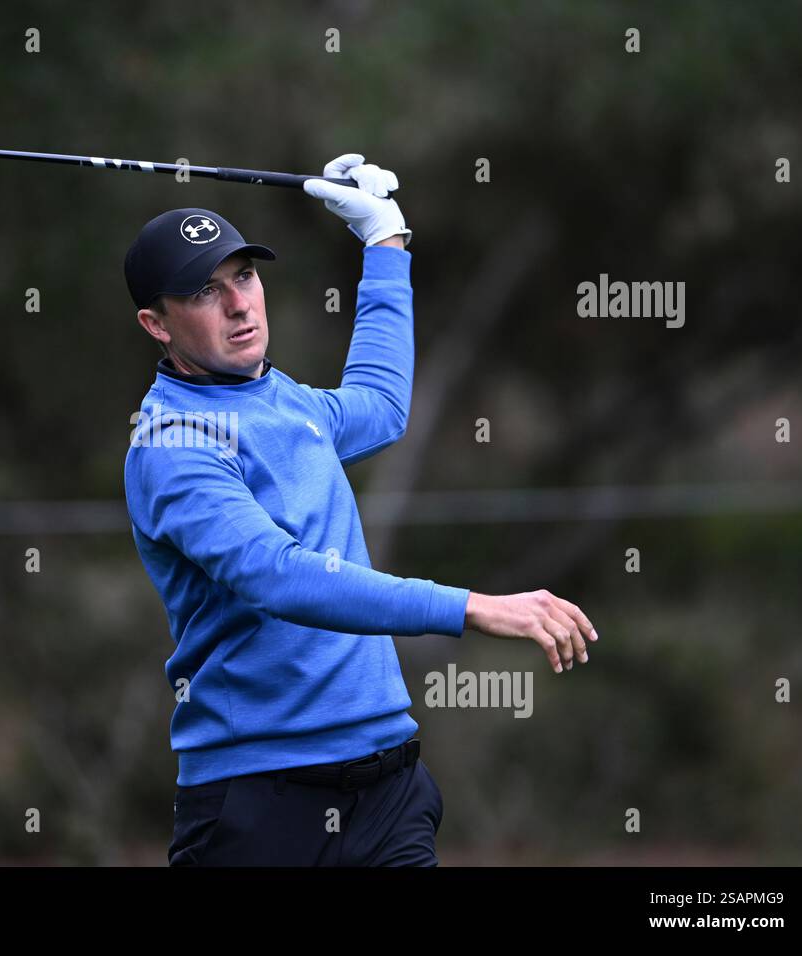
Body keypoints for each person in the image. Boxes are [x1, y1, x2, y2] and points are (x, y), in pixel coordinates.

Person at [122, 153, 598, 866]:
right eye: (203, 292)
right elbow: (279, 576)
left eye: (244, 276)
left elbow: (379, 406)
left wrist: (385, 244)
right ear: (156, 324)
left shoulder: (288, 401)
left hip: (388, 787)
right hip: (261, 804)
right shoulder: (172, 444)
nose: (239, 304)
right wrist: (471, 606)